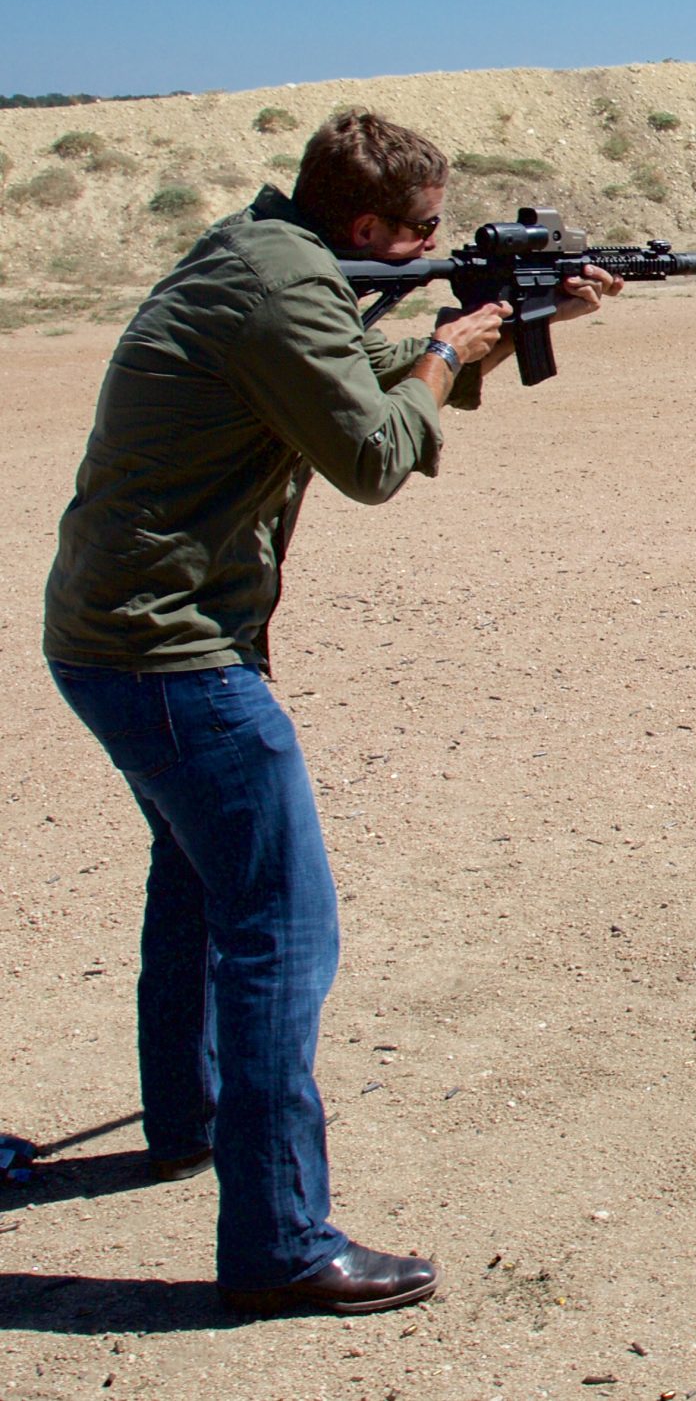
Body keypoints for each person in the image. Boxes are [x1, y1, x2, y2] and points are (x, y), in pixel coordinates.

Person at [42, 111, 620, 1315]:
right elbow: (366, 453)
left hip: (120, 632)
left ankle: (188, 1123)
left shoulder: (266, 254)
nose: (428, 245)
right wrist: (454, 344)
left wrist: (507, 328)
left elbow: (343, 385)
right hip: (170, 648)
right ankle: (279, 1238)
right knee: (281, 931)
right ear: (366, 226)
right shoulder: (286, 285)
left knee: (198, 884)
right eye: (420, 231)